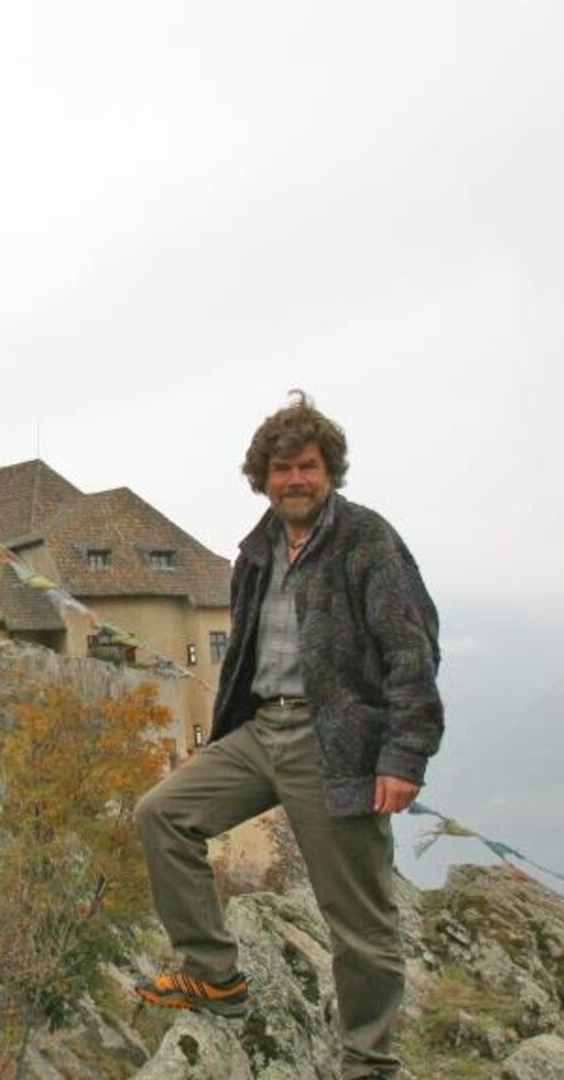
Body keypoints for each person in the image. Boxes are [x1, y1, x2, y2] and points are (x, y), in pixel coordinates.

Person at [133, 392, 442, 1080]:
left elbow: (412, 650)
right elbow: (244, 653)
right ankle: (213, 975)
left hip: (335, 743)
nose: (295, 480)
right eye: (282, 470)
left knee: (358, 919)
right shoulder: (257, 550)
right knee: (163, 815)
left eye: (308, 467)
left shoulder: (367, 540)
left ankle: (369, 1062)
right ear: (263, 477)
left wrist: (403, 756)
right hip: (258, 729)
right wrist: (222, 737)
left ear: (329, 471)